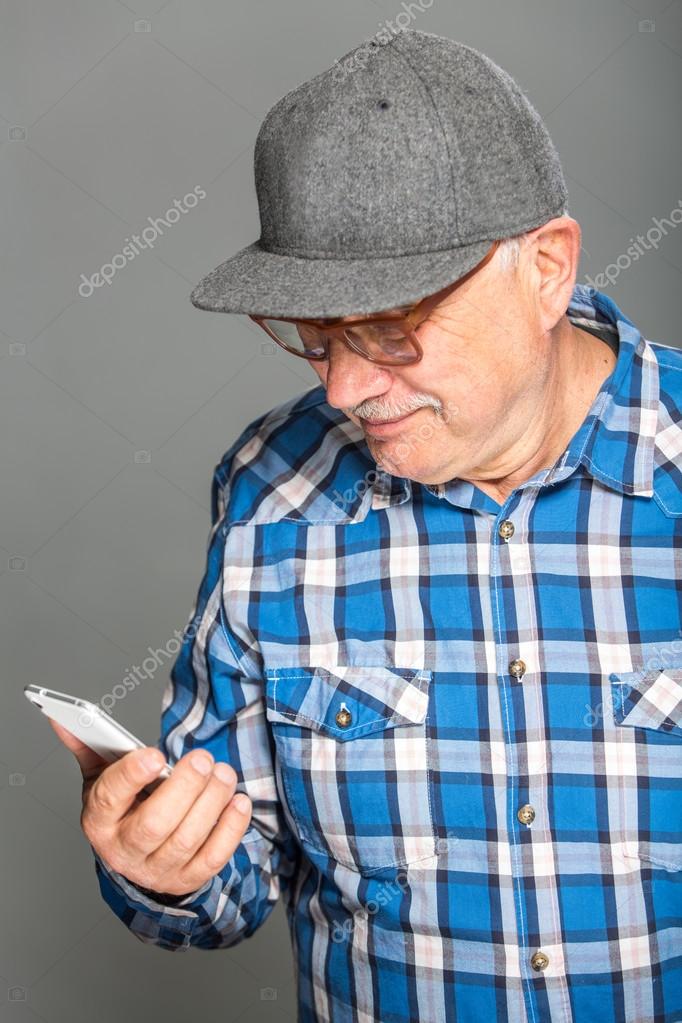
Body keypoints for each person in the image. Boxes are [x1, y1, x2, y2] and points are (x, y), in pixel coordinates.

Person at [51, 28, 682, 1023]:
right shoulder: (273, 490)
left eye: (391, 329)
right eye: (315, 337)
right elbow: (231, 877)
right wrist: (160, 863)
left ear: (547, 268)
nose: (345, 387)